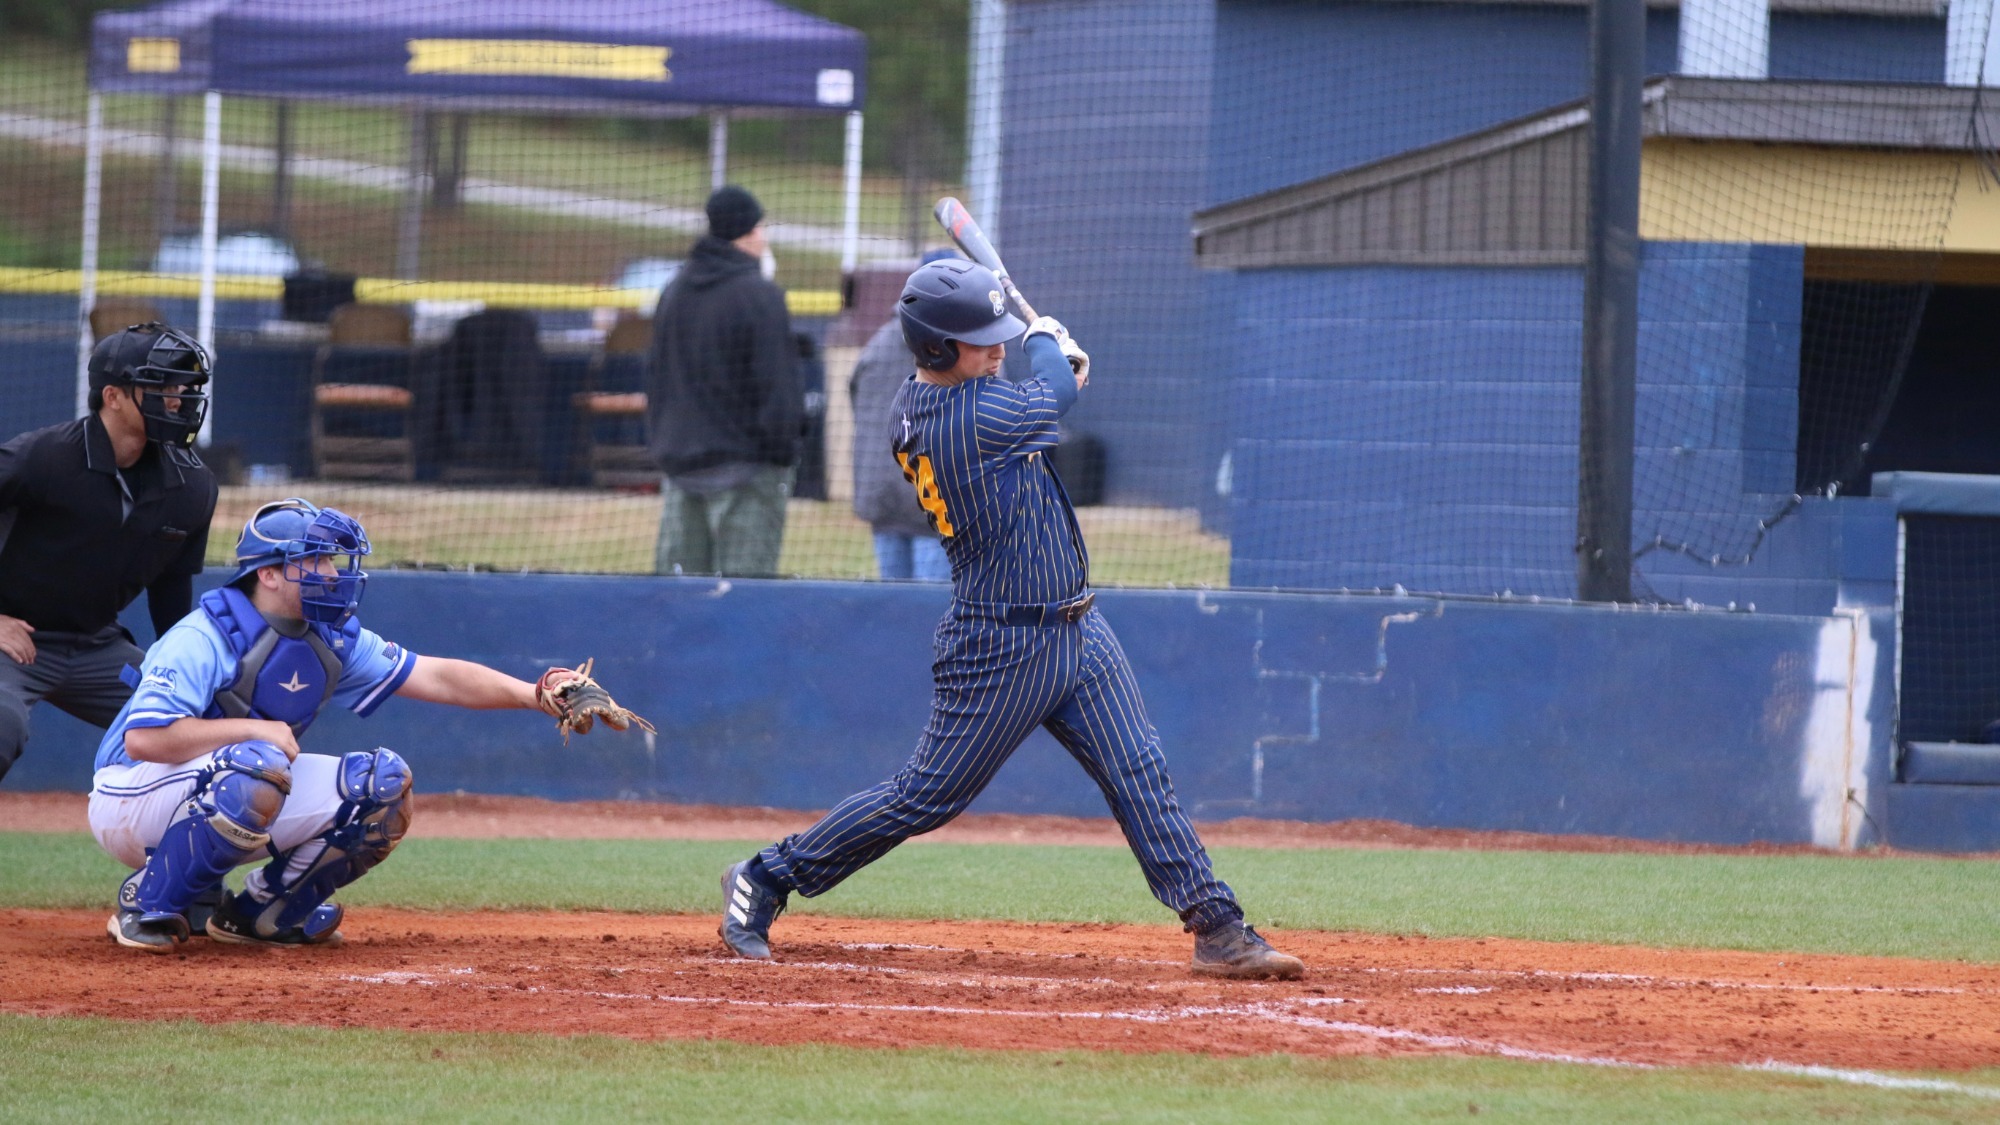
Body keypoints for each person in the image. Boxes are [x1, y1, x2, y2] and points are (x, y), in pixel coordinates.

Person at [717, 259, 1305, 980]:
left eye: (1000, 335)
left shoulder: (950, 393)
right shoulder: (959, 419)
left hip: (1078, 628)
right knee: (925, 797)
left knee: (1140, 771)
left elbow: (1050, 388)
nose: (996, 347)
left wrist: (1050, 353)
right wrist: (1048, 340)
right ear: (936, 349)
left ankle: (1218, 926)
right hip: (1002, 642)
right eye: (979, 340)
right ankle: (766, 875)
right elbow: (1056, 390)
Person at [89, 497, 639, 952]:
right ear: (270, 573)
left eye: (332, 560)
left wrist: (534, 694)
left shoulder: (328, 637)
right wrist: (251, 733)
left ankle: (261, 914)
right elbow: (144, 738)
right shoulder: (205, 635)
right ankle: (149, 902)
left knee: (379, 787)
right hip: (129, 794)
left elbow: (436, 676)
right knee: (257, 763)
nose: (332, 573)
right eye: (316, 560)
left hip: (227, 780)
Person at [0, 322, 217, 782]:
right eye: (161, 385)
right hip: (12, 640)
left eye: (182, 386)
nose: (177, 397)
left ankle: (177, 853)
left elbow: (171, 586)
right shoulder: (42, 458)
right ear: (113, 396)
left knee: (209, 730)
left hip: (98, 647)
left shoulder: (193, 485)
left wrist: (179, 671)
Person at [646, 184, 804, 577]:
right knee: (744, 599)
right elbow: (779, 389)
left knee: (680, 599)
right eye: (760, 229)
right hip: (747, 473)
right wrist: (781, 454)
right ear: (747, 233)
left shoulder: (674, 291)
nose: (764, 239)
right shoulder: (759, 296)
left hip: (681, 466)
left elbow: (657, 377)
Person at [848, 250, 957, 582]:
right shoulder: (962, 347)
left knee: (896, 609)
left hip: (880, 493)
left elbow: (856, 402)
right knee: (929, 613)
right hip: (931, 497)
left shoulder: (878, 342)